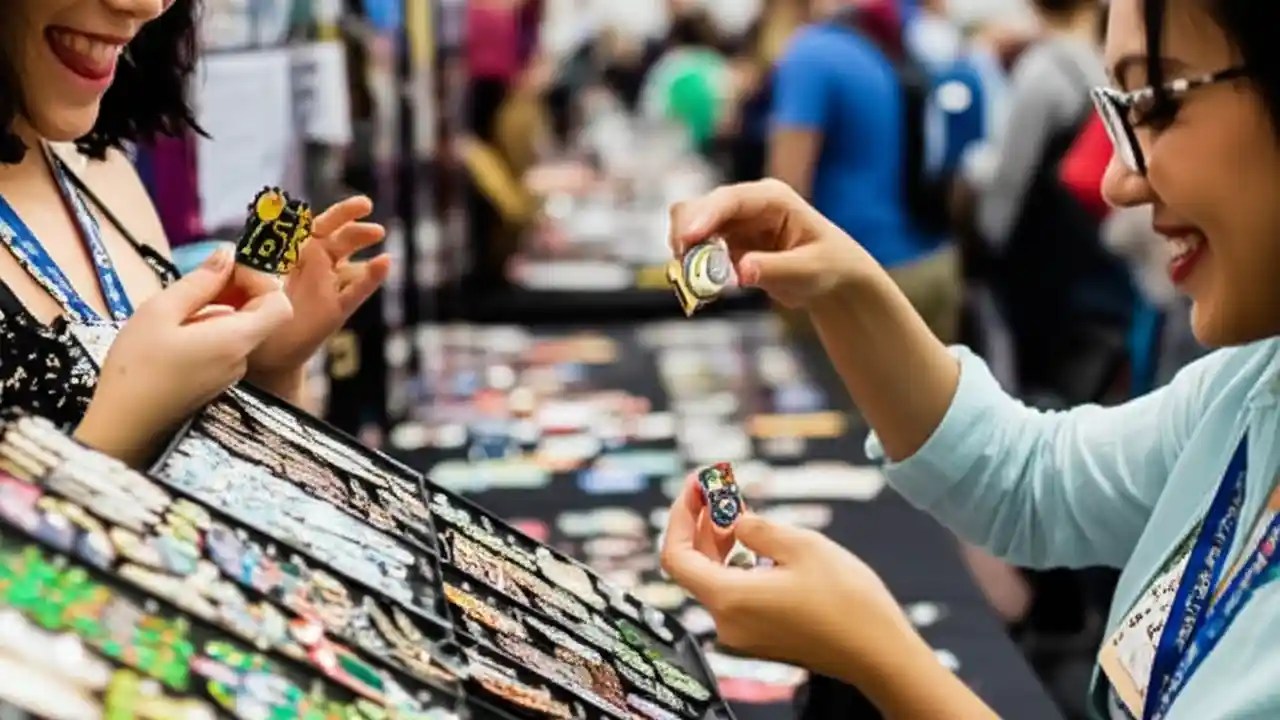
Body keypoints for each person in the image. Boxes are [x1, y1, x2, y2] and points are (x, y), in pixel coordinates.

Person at [660, 0, 1280, 717]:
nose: (1115, 180)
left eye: (1160, 103)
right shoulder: (1251, 384)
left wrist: (880, 658)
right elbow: (1028, 479)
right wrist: (845, 282)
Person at [0, 0, 390, 468]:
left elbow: (230, 512)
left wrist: (267, 372)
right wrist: (123, 429)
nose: (145, 5)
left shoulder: (104, 175)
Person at [769, 0, 962, 345]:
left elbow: (786, 188)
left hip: (857, 279)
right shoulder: (896, 39)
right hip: (931, 263)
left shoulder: (810, 53)